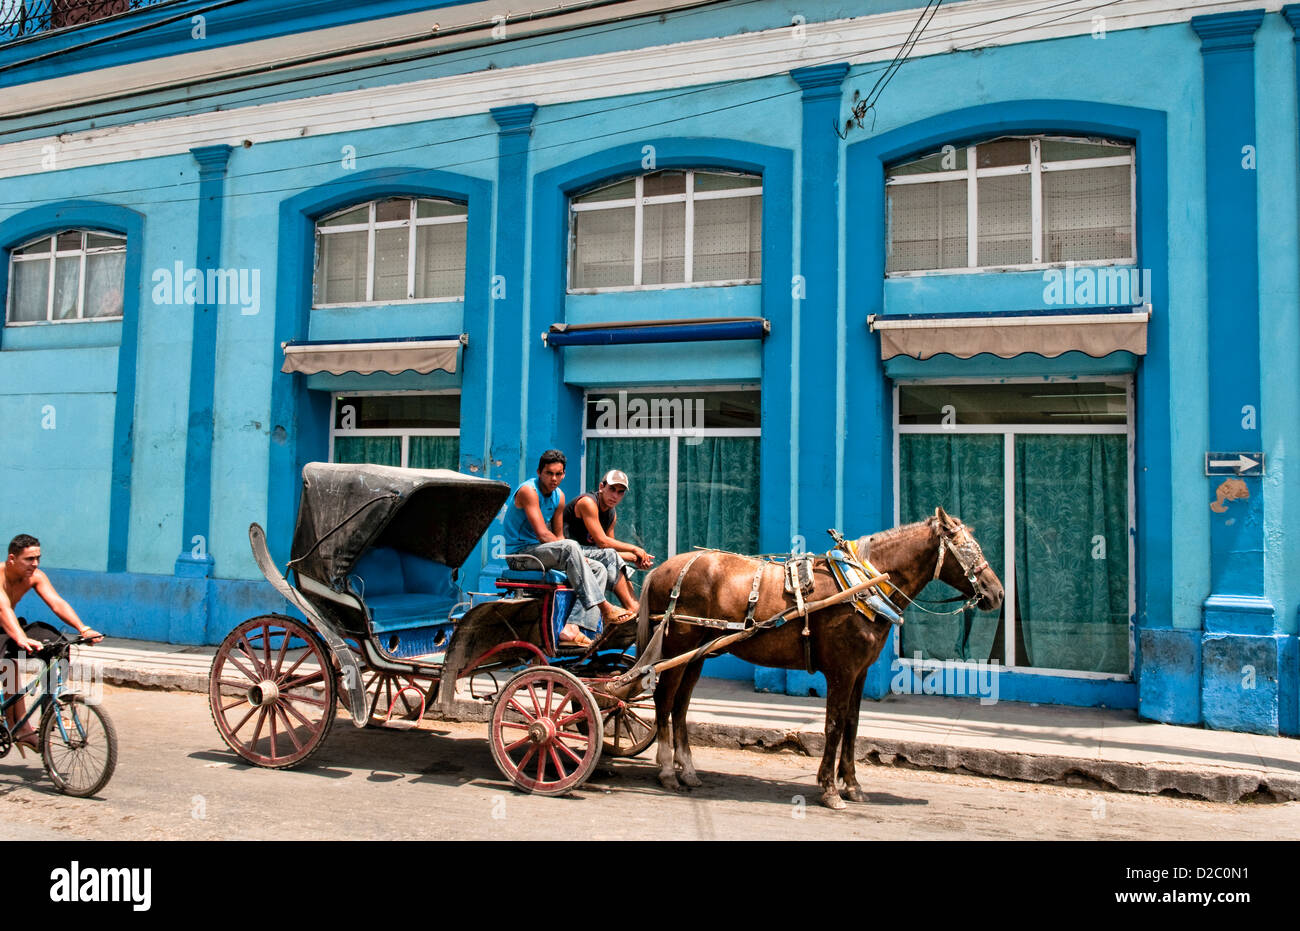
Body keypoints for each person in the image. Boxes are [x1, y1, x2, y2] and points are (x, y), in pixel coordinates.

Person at [502, 451, 636, 647]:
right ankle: (605, 609)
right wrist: (574, 553)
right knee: (572, 546)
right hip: (520, 555)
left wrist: (579, 558)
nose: (554, 479)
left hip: (542, 553)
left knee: (598, 567)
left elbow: (559, 536)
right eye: (549, 473)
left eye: (558, 474)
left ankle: (572, 628)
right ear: (539, 472)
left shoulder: (559, 496)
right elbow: (543, 535)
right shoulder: (528, 492)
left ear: (564, 474)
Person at [0, 534, 103, 754]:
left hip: (11, 627)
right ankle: (18, 727)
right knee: (10, 662)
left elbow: (56, 603)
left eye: (37, 558)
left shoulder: (35, 576)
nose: (35, 563)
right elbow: (4, 609)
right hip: (6, 626)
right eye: (29, 559)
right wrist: (21, 638)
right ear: (11, 559)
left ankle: (50, 710)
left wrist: (83, 628)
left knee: (58, 646)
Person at [562, 469, 654, 615]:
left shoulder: (611, 513)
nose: (615, 496)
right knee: (610, 556)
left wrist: (635, 558)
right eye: (612, 489)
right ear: (601, 487)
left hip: (586, 555)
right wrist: (634, 549)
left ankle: (634, 608)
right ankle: (634, 608)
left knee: (611, 557)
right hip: (567, 553)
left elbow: (609, 548)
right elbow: (603, 542)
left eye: (620, 492)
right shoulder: (588, 502)